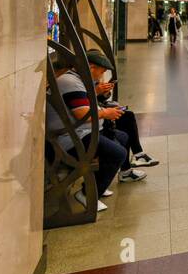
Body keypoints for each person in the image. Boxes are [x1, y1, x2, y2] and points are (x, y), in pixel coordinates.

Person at [47, 55, 128, 212]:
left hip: (79, 132)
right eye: (101, 71)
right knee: (117, 153)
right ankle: (87, 194)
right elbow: (83, 115)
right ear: (91, 67)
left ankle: (99, 186)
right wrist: (106, 113)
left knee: (122, 137)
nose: (101, 76)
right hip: (68, 140)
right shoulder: (71, 82)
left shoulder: (76, 79)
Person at [86, 49, 160, 175]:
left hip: (97, 115)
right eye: (102, 70)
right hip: (91, 123)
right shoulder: (79, 81)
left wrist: (103, 93)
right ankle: (132, 162)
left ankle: (134, 159)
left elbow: (96, 99)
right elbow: (84, 108)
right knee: (125, 121)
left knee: (126, 118)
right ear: (92, 66)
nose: (102, 73)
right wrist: (97, 94)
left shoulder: (90, 78)